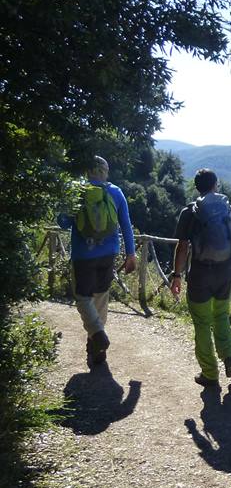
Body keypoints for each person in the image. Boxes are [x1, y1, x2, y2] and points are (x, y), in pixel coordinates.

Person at [171, 169, 231, 388]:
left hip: (200, 274)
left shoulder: (189, 212)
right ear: (216, 184)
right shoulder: (229, 209)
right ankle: (229, 357)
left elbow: (182, 247)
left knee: (202, 322)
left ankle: (209, 373)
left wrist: (177, 276)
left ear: (197, 187)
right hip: (225, 272)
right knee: (221, 316)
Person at [57, 156, 137, 369]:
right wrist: (131, 254)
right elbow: (126, 225)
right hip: (108, 254)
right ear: (105, 171)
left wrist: (65, 206)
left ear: (87, 171)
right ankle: (97, 349)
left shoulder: (77, 191)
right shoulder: (116, 192)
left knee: (83, 297)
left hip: (83, 254)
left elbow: (63, 222)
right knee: (100, 298)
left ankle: (97, 334)